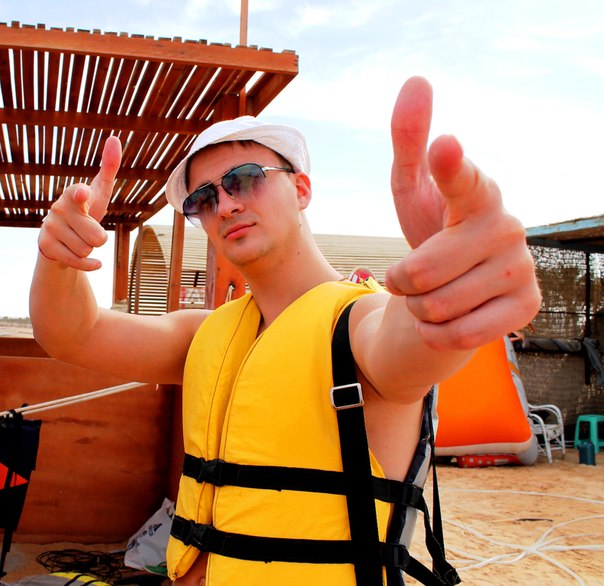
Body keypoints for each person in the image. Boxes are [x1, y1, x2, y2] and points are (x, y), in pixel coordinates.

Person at [30, 76, 542, 586]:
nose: (225, 205)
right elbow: (74, 334)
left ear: (301, 189)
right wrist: (58, 258)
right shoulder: (205, 335)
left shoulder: (360, 323)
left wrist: (450, 288)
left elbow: (412, 345)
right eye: (203, 199)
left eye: (245, 179)